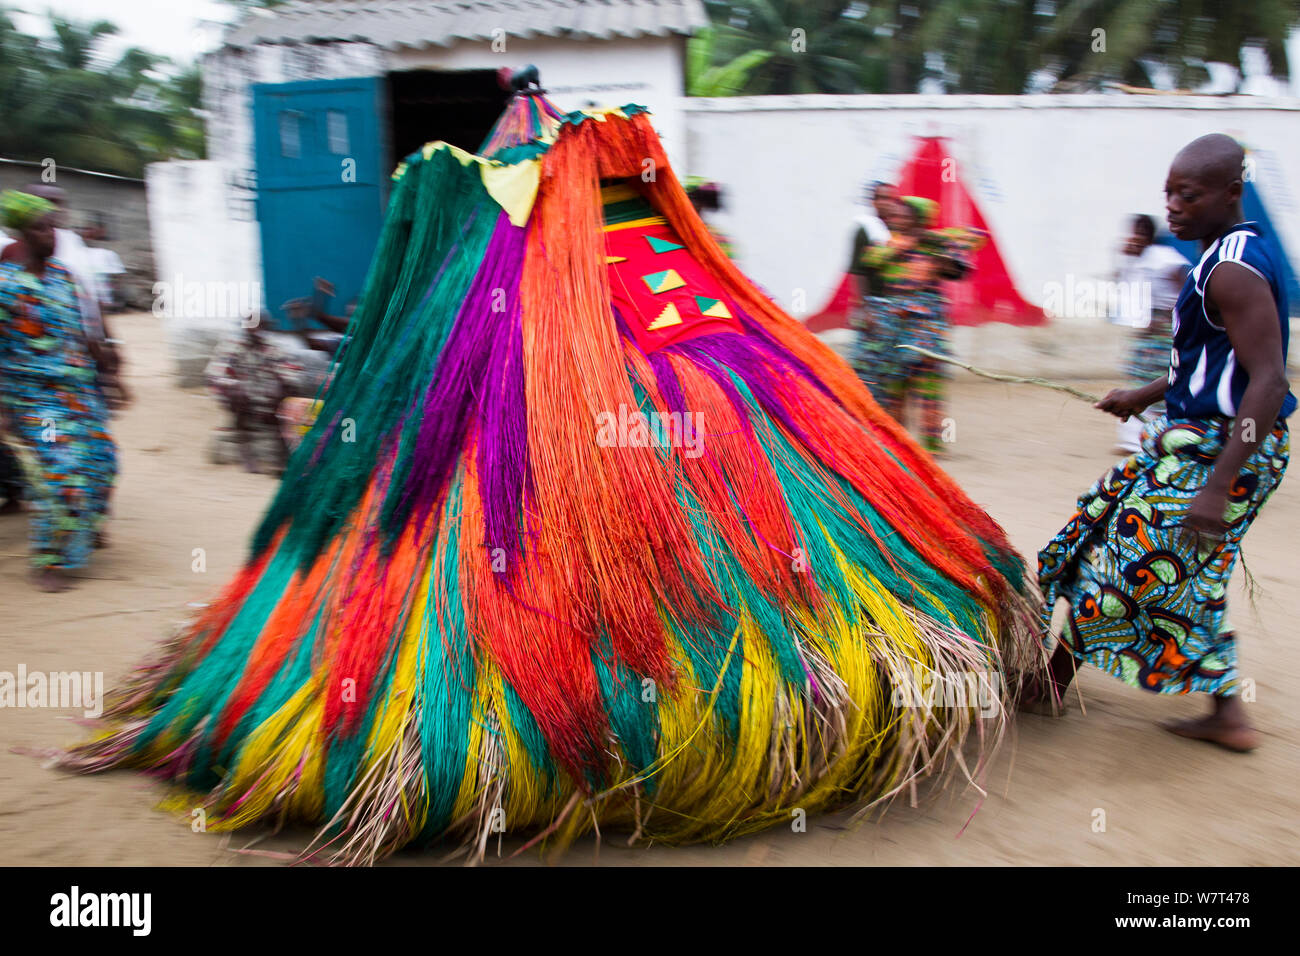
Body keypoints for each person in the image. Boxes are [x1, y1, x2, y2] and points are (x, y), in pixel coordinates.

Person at [1030, 134, 1295, 752]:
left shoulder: (1230, 269)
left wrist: (1219, 482)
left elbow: (1269, 381)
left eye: (1190, 193)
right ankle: (1228, 714)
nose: (1173, 205)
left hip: (1224, 450)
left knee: (1116, 568)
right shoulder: (1220, 255)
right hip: (1194, 441)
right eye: (1169, 193)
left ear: (1231, 193)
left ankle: (1048, 684)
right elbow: (1209, 361)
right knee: (1174, 570)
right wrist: (1145, 395)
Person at [0, 190, 118, 591]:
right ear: (21, 233)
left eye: (52, 225)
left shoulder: (65, 278)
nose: (50, 233)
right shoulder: (5, 286)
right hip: (38, 402)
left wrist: (110, 371)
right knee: (62, 466)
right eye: (40, 227)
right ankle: (50, 559)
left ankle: (85, 529)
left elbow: (84, 334)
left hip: (79, 394)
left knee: (103, 461)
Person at [850, 195, 984, 453]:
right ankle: (898, 444)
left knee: (927, 382)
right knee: (894, 383)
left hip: (926, 327)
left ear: (918, 218)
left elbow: (975, 240)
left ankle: (933, 445)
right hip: (895, 325)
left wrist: (931, 240)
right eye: (897, 214)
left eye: (903, 214)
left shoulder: (934, 244)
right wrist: (906, 244)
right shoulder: (891, 243)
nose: (896, 218)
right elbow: (871, 261)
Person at [1113, 214, 1189, 452]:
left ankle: (1153, 435)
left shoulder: (1161, 256)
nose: (1133, 237)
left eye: (1138, 232)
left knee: (1154, 377)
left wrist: (1174, 313)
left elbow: (1187, 277)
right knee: (1139, 373)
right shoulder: (1139, 258)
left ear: (1147, 235)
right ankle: (1135, 437)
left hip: (1165, 326)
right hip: (1150, 327)